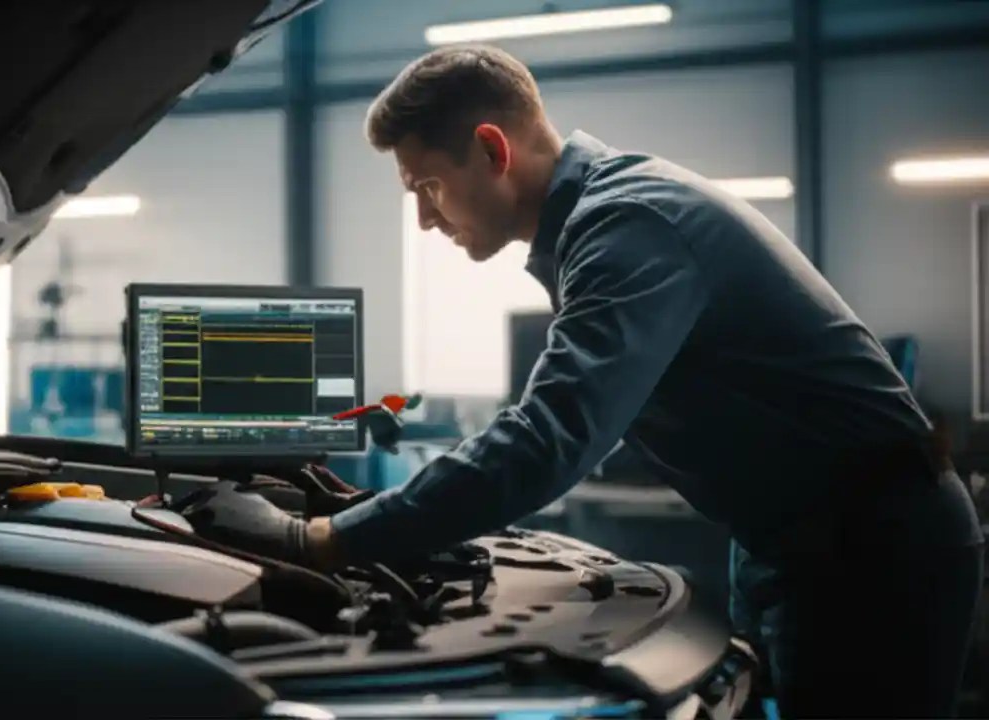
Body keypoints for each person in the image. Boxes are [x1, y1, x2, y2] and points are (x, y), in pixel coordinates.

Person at [185, 45, 984, 717]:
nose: (425, 219)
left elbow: (550, 437)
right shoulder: (603, 223)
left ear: (493, 151)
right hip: (792, 541)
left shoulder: (631, 224)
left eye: (426, 187)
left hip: (878, 553)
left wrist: (321, 541)